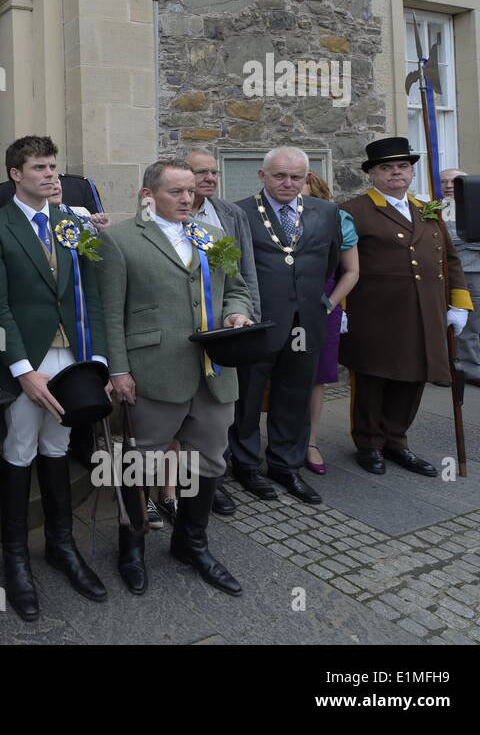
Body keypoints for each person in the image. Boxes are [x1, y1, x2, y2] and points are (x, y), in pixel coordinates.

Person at [0, 136, 110, 622]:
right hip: (25, 362)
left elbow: (90, 294)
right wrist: (23, 372)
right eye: (40, 168)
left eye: (54, 166)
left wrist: (99, 362)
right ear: (15, 174)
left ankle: (61, 544)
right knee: (20, 450)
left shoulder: (73, 224)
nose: (51, 175)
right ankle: (15, 557)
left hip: (71, 356)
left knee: (58, 447)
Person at [98, 160, 254, 597]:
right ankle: (131, 547)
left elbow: (236, 287)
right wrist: (118, 369)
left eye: (192, 192)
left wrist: (237, 312)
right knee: (138, 463)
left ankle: (191, 542)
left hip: (215, 372)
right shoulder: (120, 239)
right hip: (154, 371)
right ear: (149, 193)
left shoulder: (214, 236)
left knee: (208, 461)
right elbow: (110, 311)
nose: (188, 199)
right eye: (177, 192)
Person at [339, 138, 471, 477]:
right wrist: (339, 307)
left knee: (413, 378)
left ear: (411, 172)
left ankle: (396, 440)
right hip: (374, 315)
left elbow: (449, 259)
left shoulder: (426, 210)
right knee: (372, 380)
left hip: (425, 312)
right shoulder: (353, 211)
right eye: (386, 167)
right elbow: (335, 265)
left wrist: (458, 304)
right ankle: (369, 443)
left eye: (402, 167)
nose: (395, 173)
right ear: (372, 175)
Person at [229, 148, 347, 507]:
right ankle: (246, 464)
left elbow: (330, 262)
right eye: (280, 176)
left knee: (294, 395)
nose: (288, 183)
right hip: (259, 322)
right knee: (247, 396)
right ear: (262, 176)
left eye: (296, 177)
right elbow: (232, 268)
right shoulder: (239, 212)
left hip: (306, 321)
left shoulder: (326, 212)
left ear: (306, 178)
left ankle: (285, 463)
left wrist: (316, 302)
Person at [181, 149, 261, 518]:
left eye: (214, 172)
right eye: (202, 172)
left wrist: (250, 316)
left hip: (225, 329)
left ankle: (216, 480)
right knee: (185, 410)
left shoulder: (231, 214)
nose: (210, 178)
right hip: (182, 332)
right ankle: (183, 485)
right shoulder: (165, 214)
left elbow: (245, 271)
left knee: (222, 407)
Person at [301, 171, 360, 475]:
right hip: (278, 305)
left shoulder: (339, 220)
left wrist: (330, 304)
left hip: (323, 304)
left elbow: (351, 271)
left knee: (317, 375)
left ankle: (310, 441)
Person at [440, 169, 480, 393]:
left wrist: (457, 241)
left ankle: (474, 370)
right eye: (444, 181)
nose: (448, 185)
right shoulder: (435, 210)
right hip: (443, 275)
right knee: (442, 322)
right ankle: (443, 369)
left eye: (454, 181)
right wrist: (469, 239)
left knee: (473, 323)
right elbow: (438, 244)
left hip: (475, 274)